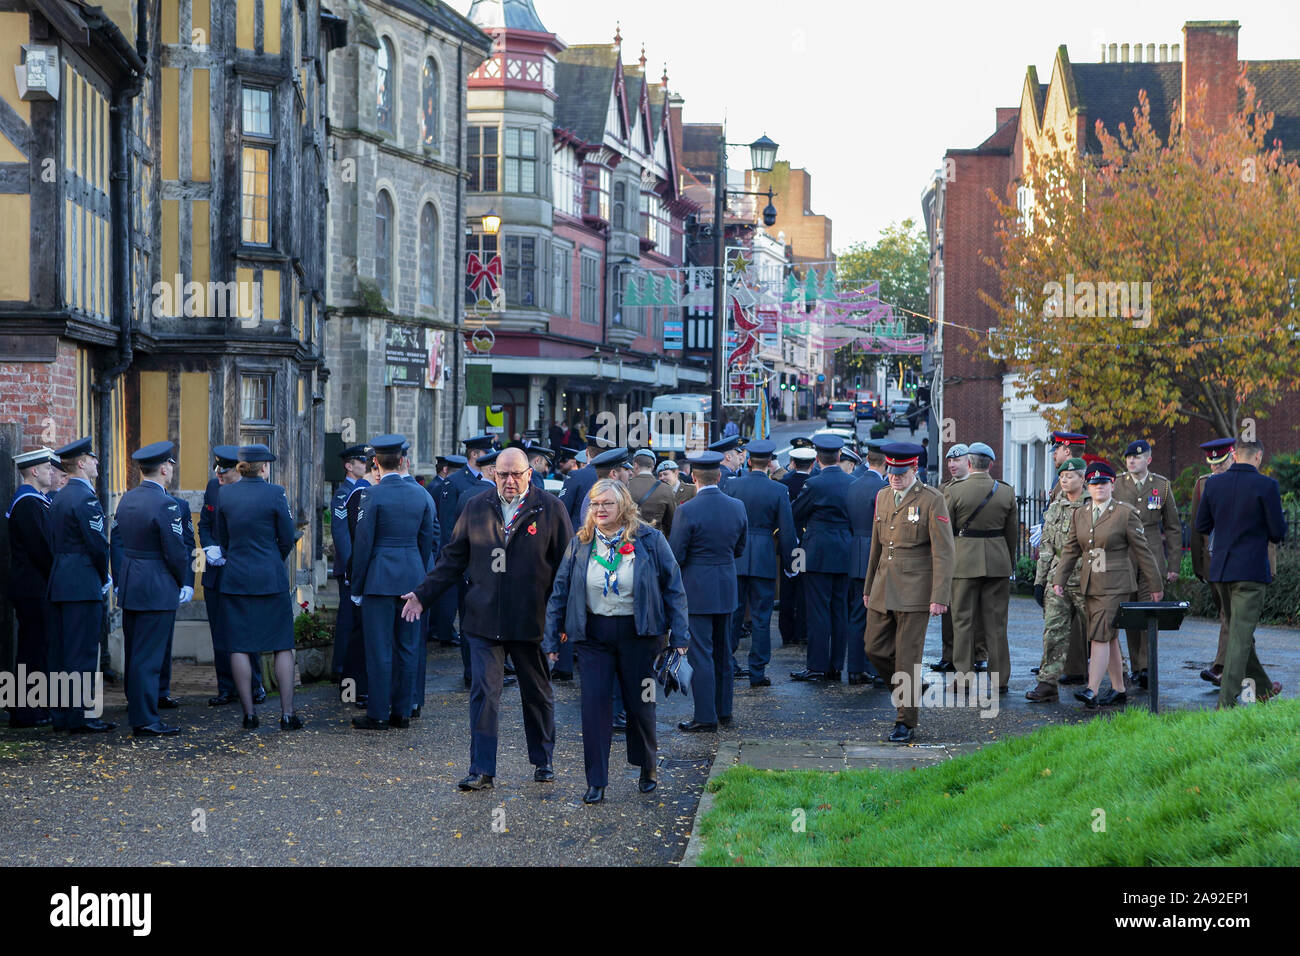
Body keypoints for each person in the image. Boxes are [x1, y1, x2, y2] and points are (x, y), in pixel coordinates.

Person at [402, 447, 573, 791]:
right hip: (483, 620)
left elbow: (567, 568)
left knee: (537, 693)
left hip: (531, 621)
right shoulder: (476, 507)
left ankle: (543, 761)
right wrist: (423, 594)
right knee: (483, 693)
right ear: (493, 473)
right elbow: (452, 559)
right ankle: (482, 769)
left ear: (529, 474)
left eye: (516, 474)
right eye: (503, 474)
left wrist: (565, 619)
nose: (510, 481)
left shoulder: (551, 508)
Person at [544, 479, 689, 803]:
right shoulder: (580, 543)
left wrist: (680, 636)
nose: (600, 510)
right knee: (594, 708)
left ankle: (647, 765)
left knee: (640, 706)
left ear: (623, 506)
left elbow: (674, 587)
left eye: (607, 504)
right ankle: (597, 780)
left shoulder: (649, 540)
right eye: (595, 504)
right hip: (594, 637)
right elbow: (560, 591)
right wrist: (551, 639)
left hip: (640, 636)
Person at [864, 442, 954, 743]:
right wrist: (868, 588)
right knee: (873, 649)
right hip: (883, 587)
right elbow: (876, 547)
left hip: (915, 592)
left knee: (907, 658)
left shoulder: (932, 500)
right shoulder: (882, 496)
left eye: (901, 473)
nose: (895, 478)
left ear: (914, 469)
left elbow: (944, 552)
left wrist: (940, 596)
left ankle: (905, 720)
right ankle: (912, 690)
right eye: (891, 472)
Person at [1053, 462, 1161, 709]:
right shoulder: (1081, 513)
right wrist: (1059, 579)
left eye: (1103, 483)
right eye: (1093, 483)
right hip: (1091, 583)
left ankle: (1091, 689)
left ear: (1112, 485)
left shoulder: (1125, 512)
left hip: (1116, 583)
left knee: (1099, 634)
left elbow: (1143, 551)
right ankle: (1119, 688)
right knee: (1109, 636)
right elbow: (1070, 549)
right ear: (1088, 486)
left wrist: (1154, 584)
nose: (1098, 487)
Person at [348, 435, 439, 729]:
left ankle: (378, 713)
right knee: (409, 647)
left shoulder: (371, 495)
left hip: (378, 579)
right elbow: (427, 542)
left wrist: (357, 586)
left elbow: (363, 544)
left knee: (379, 649)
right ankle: (402, 711)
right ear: (402, 461)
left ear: (376, 462)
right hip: (412, 577)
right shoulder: (422, 495)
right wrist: (419, 576)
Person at [1194, 441, 1287, 708]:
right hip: (1250, 572)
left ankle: (1264, 689)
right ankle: (1226, 701)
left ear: (1234, 455)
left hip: (1221, 570)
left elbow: (1201, 525)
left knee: (1239, 632)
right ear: (1258, 457)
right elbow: (1278, 532)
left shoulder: (1213, 484)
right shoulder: (1267, 486)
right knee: (1240, 635)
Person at [216, 444, 303, 730]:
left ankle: (249, 714)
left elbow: (222, 538)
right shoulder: (276, 493)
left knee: (239, 646)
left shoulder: (225, 493)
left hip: (237, 577)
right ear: (264, 467)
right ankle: (287, 714)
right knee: (282, 645)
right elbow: (288, 536)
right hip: (270, 577)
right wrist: (273, 559)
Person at [109, 442, 191, 736]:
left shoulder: (128, 499)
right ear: (164, 468)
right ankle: (145, 719)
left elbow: (116, 542)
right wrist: (180, 580)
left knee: (136, 653)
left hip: (132, 582)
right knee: (150, 656)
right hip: (156, 584)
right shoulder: (166, 504)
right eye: (171, 465)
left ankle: (140, 710)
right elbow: (175, 551)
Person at [669, 450, 747, 732]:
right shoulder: (737, 506)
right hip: (726, 585)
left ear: (693, 477)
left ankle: (705, 715)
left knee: (700, 653)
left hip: (697, 589)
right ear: (718, 475)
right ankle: (724, 709)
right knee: (723, 651)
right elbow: (740, 547)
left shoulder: (686, 510)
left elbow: (676, 554)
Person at [47, 437, 115, 733]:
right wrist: (103, 576)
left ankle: (62, 715)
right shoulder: (85, 498)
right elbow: (98, 546)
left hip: (61, 578)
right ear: (82, 463)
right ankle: (81, 716)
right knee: (83, 651)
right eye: (93, 459)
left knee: (62, 652)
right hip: (82, 580)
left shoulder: (59, 496)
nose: (97, 463)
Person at [943, 441, 1018, 694]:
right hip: (998, 562)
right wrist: (1009, 562)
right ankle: (1000, 680)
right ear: (991, 464)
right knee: (996, 624)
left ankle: (963, 678)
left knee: (962, 621)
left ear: (969, 463)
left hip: (963, 561)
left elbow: (947, 532)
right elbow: (1012, 535)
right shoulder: (1006, 492)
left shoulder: (954, 491)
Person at [723, 440, 796, 687]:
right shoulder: (778, 490)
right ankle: (757, 670)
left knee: (734, 613)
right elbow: (787, 531)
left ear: (750, 460)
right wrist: (790, 561)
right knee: (761, 617)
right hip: (764, 554)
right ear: (769, 463)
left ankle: (727, 661)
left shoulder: (733, 486)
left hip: (737, 554)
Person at [1112, 439, 1182, 688]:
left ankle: (1147, 666)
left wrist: (1173, 564)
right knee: (1131, 611)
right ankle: (1137, 667)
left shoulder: (1161, 486)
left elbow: (1173, 527)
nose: (1132, 461)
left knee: (1149, 610)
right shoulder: (1117, 484)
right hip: (1126, 554)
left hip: (1151, 553)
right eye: (1129, 457)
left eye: (1138, 457)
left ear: (1148, 460)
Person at [200, 445, 266, 706]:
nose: (219, 475)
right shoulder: (213, 488)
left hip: (241, 569)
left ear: (237, 471)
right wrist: (209, 546)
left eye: (224, 471)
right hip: (217, 571)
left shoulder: (255, 490)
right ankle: (225, 687)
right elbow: (204, 523)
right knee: (220, 632)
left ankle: (254, 684)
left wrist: (230, 551)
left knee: (247, 629)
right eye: (217, 470)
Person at [790, 435, 854, 683]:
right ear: (839, 457)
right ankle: (837, 664)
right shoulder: (852, 482)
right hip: (844, 551)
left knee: (818, 610)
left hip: (817, 552)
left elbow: (796, 512)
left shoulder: (814, 484)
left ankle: (817, 665)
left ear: (818, 459)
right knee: (840, 610)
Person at [1026, 458, 1089, 702]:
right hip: (1057, 578)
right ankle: (1047, 682)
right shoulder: (1054, 507)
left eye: (1070, 476)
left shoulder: (1091, 505)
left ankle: (1120, 679)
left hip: (1085, 578)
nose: (1064, 480)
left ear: (1082, 479)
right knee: (1054, 631)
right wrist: (1039, 582)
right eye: (1062, 477)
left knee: (1100, 631)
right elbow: (1046, 547)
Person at [6, 447, 58, 728]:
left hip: (35, 585)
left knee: (36, 647)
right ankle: (26, 711)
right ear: (34, 471)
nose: (52, 472)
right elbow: (43, 549)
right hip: (33, 586)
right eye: (48, 468)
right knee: (32, 650)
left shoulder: (36, 501)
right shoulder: (28, 503)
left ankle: (31, 708)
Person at [1191, 438, 1236, 686]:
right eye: (1212, 464)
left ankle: (1221, 668)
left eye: (1220, 463)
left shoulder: (1247, 482)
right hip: (1214, 561)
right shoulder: (1203, 485)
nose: (1215, 468)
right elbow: (1197, 528)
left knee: (1230, 616)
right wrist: (1198, 566)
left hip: (1239, 562)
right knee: (1230, 616)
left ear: (1232, 457)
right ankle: (1240, 668)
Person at [845, 442, 887, 686]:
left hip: (854, 552)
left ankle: (854, 668)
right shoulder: (883, 489)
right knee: (878, 615)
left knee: (856, 614)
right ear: (884, 462)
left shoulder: (852, 486)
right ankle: (873, 667)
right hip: (876, 555)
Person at [330, 445, 370, 683]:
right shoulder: (343, 494)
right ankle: (341, 667)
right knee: (347, 619)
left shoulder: (366, 489)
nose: (365, 465)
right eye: (361, 461)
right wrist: (350, 567)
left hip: (363, 566)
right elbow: (341, 533)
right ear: (349, 465)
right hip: (350, 568)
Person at [627, 449, 677, 535]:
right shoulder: (666, 488)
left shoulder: (625, 486)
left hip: (628, 540)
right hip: (654, 540)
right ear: (653, 467)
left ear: (635, 465)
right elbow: (671, 522)